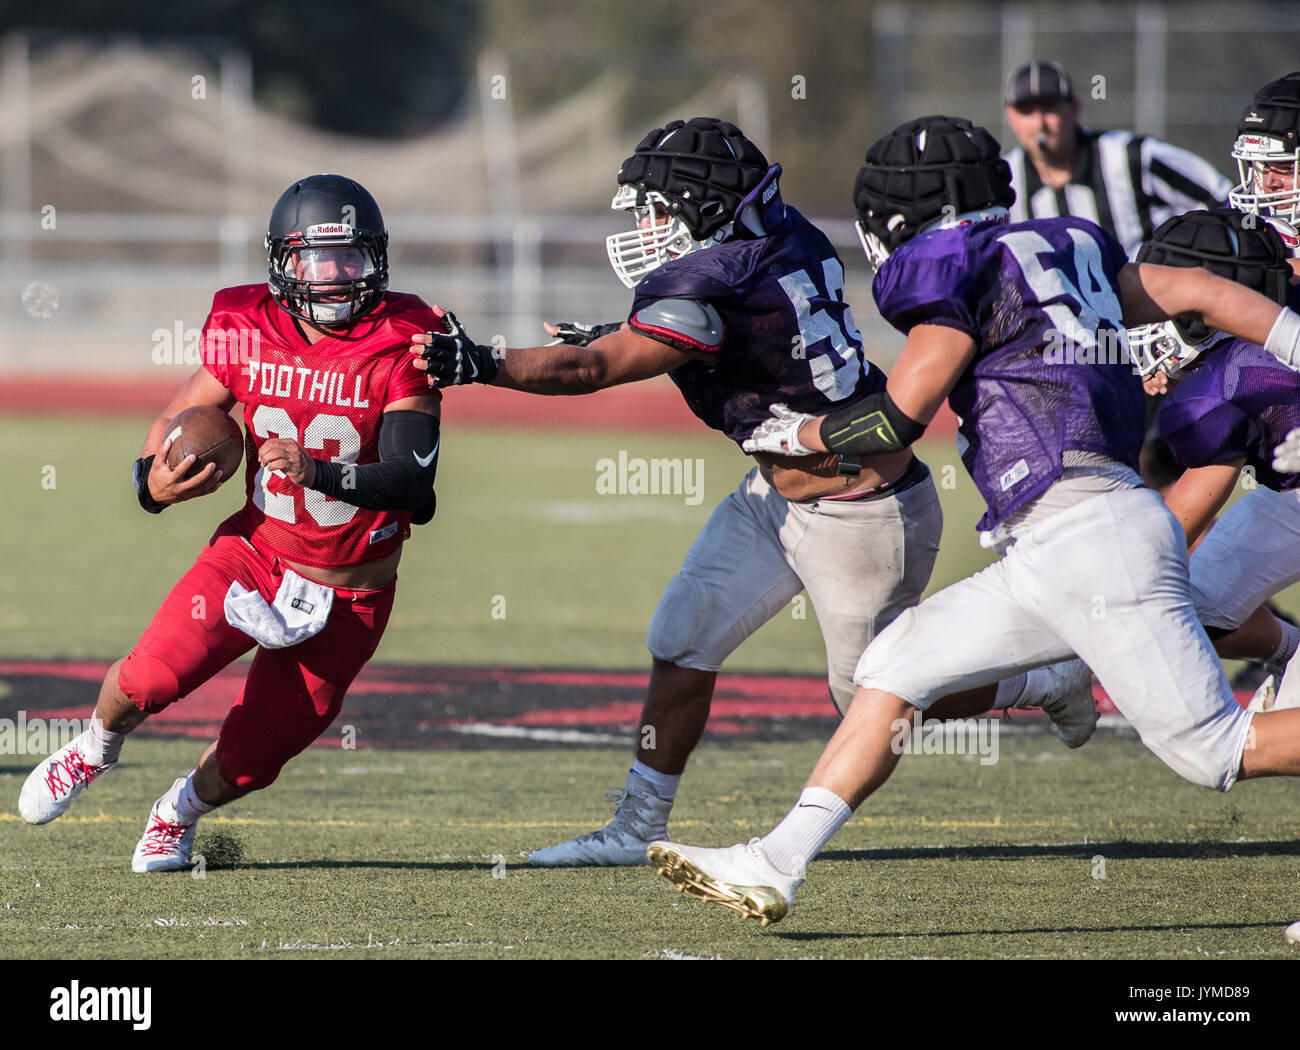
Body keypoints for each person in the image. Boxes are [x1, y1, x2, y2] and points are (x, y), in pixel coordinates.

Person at [648, 115, 1300, 927]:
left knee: (1215, 753)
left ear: (898, 219)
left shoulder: (951, 268)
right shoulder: (1068, 241)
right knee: (891, 667)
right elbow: (1199, 290)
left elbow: (898, 417)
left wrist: (799, 433)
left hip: (1090, 533)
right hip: (1057, 540)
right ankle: (776, 863)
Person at [410, 117, 1093, 868]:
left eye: (655, 211)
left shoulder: (710, 279)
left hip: (864, 512)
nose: (643, 227)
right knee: (682, 635)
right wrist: (621, 330)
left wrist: (480, 362)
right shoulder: (781, 232)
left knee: (874, 695)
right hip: (775, 499)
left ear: (704, 209)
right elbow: (736, 330)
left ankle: (1044, 678)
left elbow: (591, 372)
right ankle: (637, 826)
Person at [18, 174, 442, 872]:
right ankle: (92, 748)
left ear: (375, 259)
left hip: (354, 593)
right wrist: (149, 479)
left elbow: (410, 479)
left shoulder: (407, 336)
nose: (335, 276)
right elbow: (177, 416)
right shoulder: (246, 327)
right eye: (317, 258)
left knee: (257, 756)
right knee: (150, 677)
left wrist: (318, 472)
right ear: (285, 264)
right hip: (259, 555)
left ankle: (176, 811)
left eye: (350, 257)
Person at [1127, 209, 1300, 710]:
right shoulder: (1248, 350)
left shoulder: (1222, 387)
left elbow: (1170, 533)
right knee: (1195, 609)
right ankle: (1289, 650)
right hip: (1291, 494)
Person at [1002, 60, 1231, 260]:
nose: (1039, 123)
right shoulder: (1005, 181)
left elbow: (1221, 195)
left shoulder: (1128, 156)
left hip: (1150, 303)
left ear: (1074, 109)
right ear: (1011, 117)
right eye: (1027, 112)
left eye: (1049, 109)